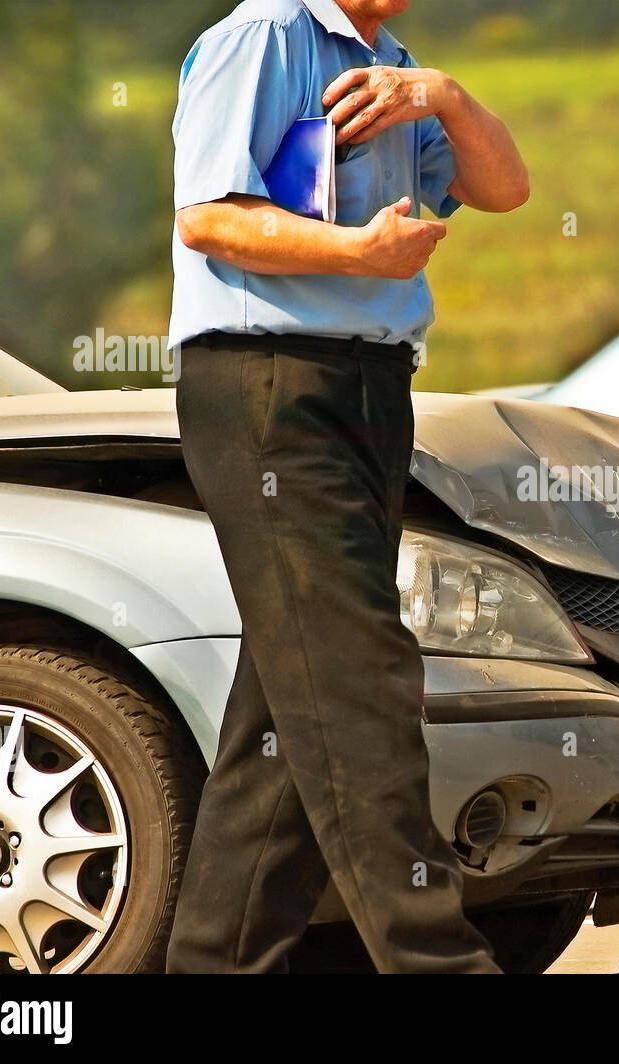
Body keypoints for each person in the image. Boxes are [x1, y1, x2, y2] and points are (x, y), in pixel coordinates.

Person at [163, 0, 528, 974]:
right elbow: (207, 216)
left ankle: (217, 960)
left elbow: (504, 187)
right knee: (361, 682)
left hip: (369, 388)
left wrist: (443, 96)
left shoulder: (394, 63)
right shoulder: (263, 38)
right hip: (268, 385)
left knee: (289, 711)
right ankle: (438, 959)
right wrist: (358, 254)